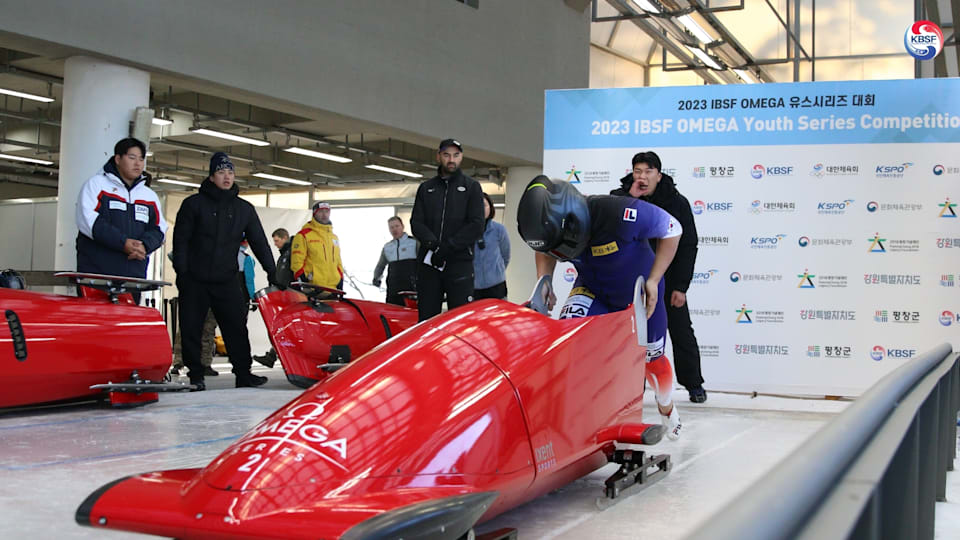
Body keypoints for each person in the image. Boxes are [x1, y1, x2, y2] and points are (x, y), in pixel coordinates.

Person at [518, 175, 684, 440]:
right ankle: (574, 415)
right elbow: (546, 248)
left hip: (640, 295)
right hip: (592, 287)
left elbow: (673, 228)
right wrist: (545, 279)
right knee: (569, 338)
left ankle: (666, 407)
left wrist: (654, 279)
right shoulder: (552, 226)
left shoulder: (620, 212)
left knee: (652, 362)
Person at [172, 152, 277, 391]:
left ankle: (243, 373)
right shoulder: (193, 205)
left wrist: (272, 271)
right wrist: (183, 274)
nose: (227, 177)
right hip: (195, 279)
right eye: (221, 172)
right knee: (191, 327)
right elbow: (181, 242)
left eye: (230, 172)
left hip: (226, 279)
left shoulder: (243, 209)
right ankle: (196, 374)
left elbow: (259, 242)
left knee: (236, 327)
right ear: (211, 176)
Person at [612, 151, 706, 403]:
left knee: (681, 332)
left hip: (667, 280)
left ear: (659, 174)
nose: (642, 177)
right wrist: (632, 199)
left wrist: (680, 286)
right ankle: (632, 388)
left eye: (648, 171)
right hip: (629, 280)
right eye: (638, 171)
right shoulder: (618, 198)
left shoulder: (677, 202)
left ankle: (693, 383)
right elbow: (612, 230)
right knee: (630, 338)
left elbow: (688, 246)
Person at [75, 137, 167, 291]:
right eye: (132, 158)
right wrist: (123, 243)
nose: (138, 163)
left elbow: (160, 229)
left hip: (133, 278)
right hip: (97, 277)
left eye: (141, 159)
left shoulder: (149, 195)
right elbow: (88, 221)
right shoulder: (96, 185)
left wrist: (144, 245)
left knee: (128, 315)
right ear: (118, 159)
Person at [410, 138, 484, 321]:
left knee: (460, 321)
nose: (451, 159)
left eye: (456, 155)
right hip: (429, 264)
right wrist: (434, 245)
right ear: (438, 157)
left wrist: (448, 247)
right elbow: (416, 223)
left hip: (459, 264)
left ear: (461, 158)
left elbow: (476, 225)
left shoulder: (472, 187)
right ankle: (426, 351)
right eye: (446, 155)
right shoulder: (426, 188)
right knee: (426, 321)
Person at [290, 201, 344, 289]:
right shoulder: (303, 235)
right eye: (321, 211)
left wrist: (341, 279)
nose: (324, 214)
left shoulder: (334, 237)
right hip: (312, 287)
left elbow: (338, 262)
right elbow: (297, 261)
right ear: (314, 213)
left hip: (333, 288)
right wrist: (303, 280)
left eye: (327, 211)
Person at [372, 216, 418, 305]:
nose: (394, 230)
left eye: (397, 226)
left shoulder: (414, 242)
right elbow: (380, 265)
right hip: (393, 286)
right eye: (391, 227)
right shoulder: (387, 247)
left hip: (411, 285)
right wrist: (376, 278)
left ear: (402, 226)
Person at [472, 192, 510, 300]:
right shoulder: (466, 231)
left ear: (490, 207)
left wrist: (497, 271)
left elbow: (505, 255)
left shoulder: (499, 230)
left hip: (497, 285)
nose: (480, 209)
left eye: (484, 205)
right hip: (474, 287)